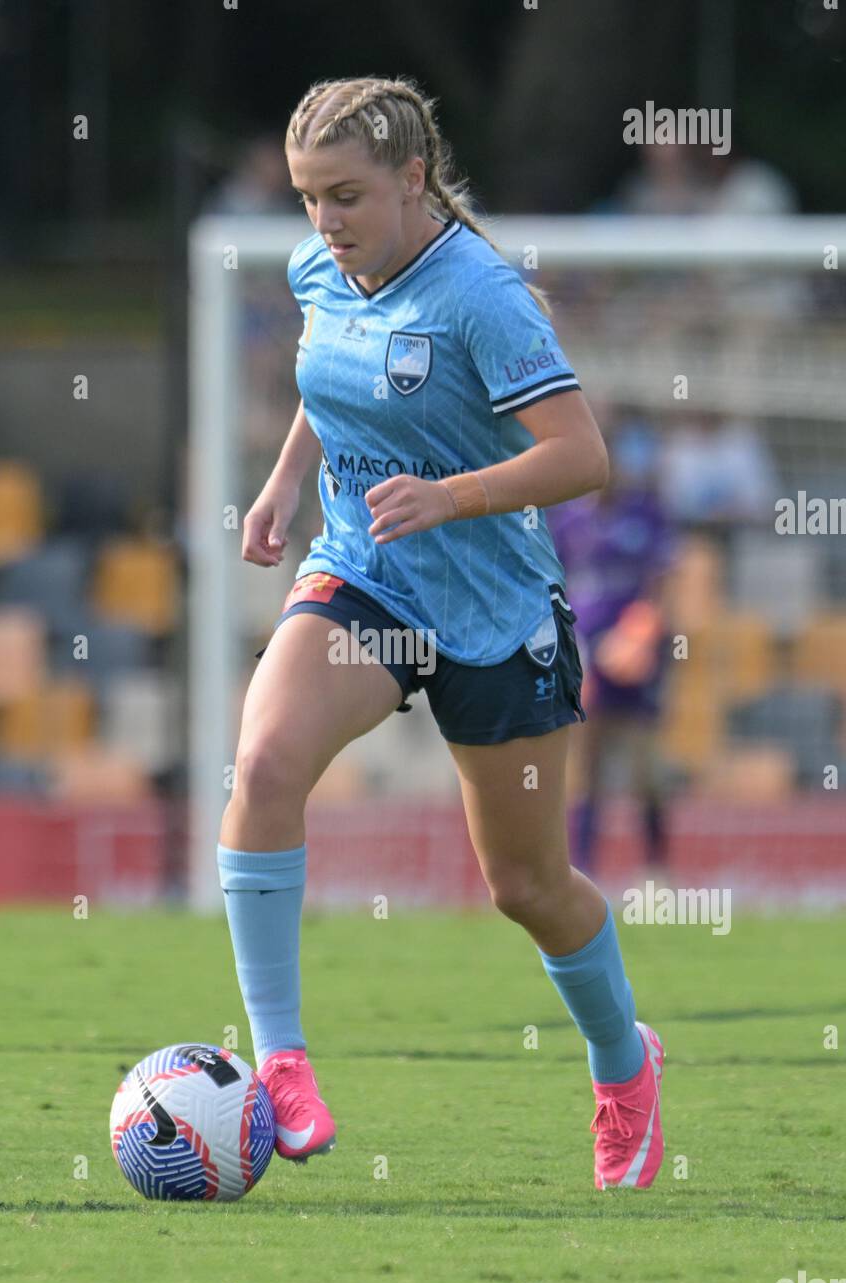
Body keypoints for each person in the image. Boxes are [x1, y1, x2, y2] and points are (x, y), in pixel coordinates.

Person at [216, 75, 665, 1192]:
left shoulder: (484, 296)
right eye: (310, 197)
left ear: (413, 179)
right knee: (265, 762)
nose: (326, 222)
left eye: (349, 195)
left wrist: (449, 494)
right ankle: (278, 1062)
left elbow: (581, 456)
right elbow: (336, 378)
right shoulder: (320, 265)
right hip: (363, 574)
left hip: (492, 610)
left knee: (525, 886)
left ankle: (623, 1065)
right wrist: (282, 486)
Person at [549, 415, 677, 877]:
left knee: (646, 764)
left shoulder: (647, 513)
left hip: (639, 656)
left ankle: (657, 870)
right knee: (588, 764)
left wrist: (641, 633)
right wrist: (574, 649)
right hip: (586, 654)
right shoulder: (566, 520)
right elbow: (554, 590)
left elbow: (661, 585)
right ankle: (583, 869)